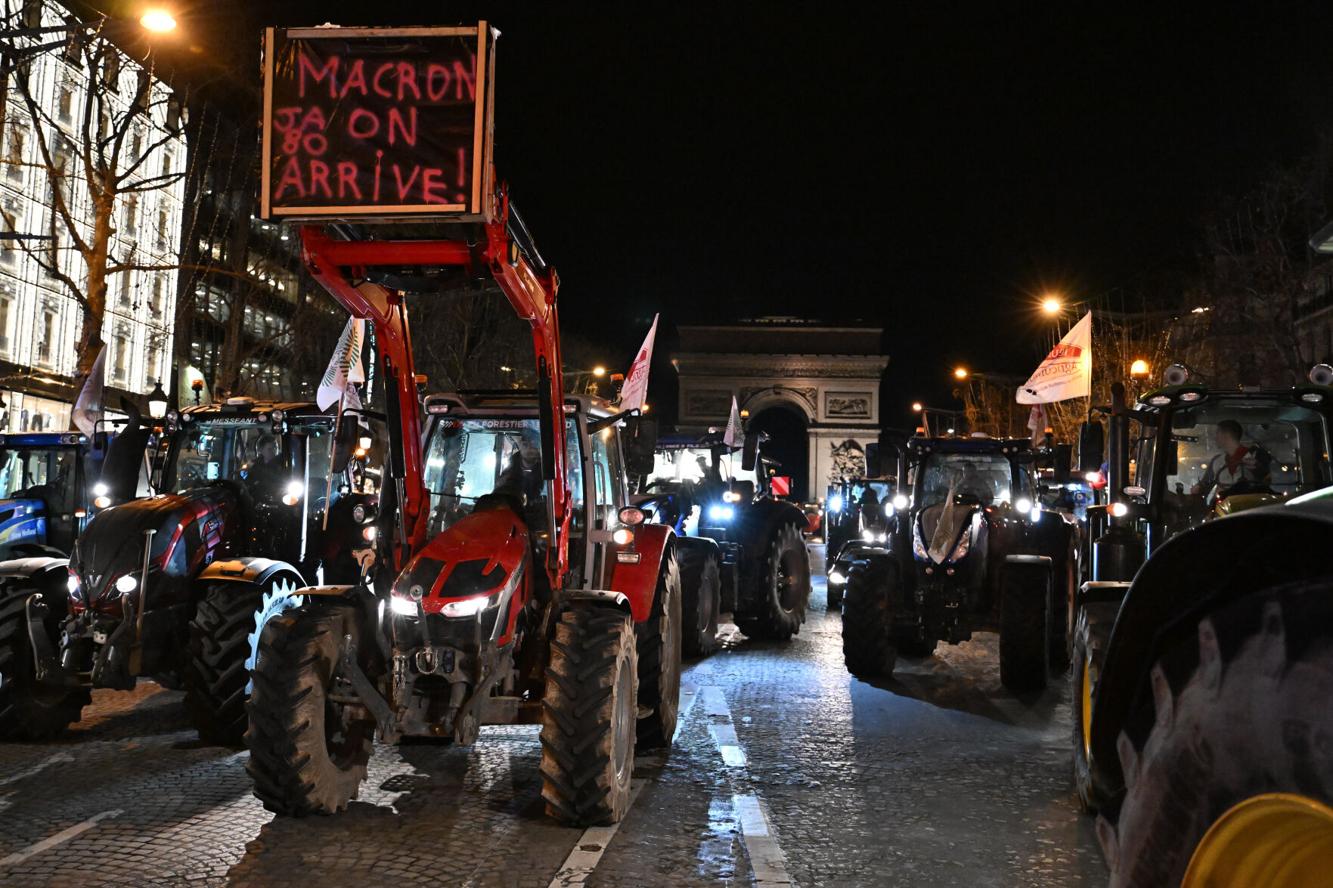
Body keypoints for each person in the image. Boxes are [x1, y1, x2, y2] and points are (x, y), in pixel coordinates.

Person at [1192, 419, 1271, 499]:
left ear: (1226, 435)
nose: (1215, 437)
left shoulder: (1256, 456)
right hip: (1222, 508)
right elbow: (1205, 484)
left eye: (1217, 433)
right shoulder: (1217, 461)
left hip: (1249, 506)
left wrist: (1257, 468)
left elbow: (1267, 480)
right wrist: (1198, 488)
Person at [494, 429, 545, 505]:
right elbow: (498, 496)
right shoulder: (509, 472)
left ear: (539, 448)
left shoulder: (548, 472)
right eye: (525, 444)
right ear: (520, 446)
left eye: (533, 445)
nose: (529, 449)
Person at [245, 434, 286, 499]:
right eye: (269, 449)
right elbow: (248, 482)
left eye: (276, 447)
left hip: (279, 497)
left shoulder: (283, 464)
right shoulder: (255, 465)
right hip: (258, 498)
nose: (274, 451)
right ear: (261, 450)